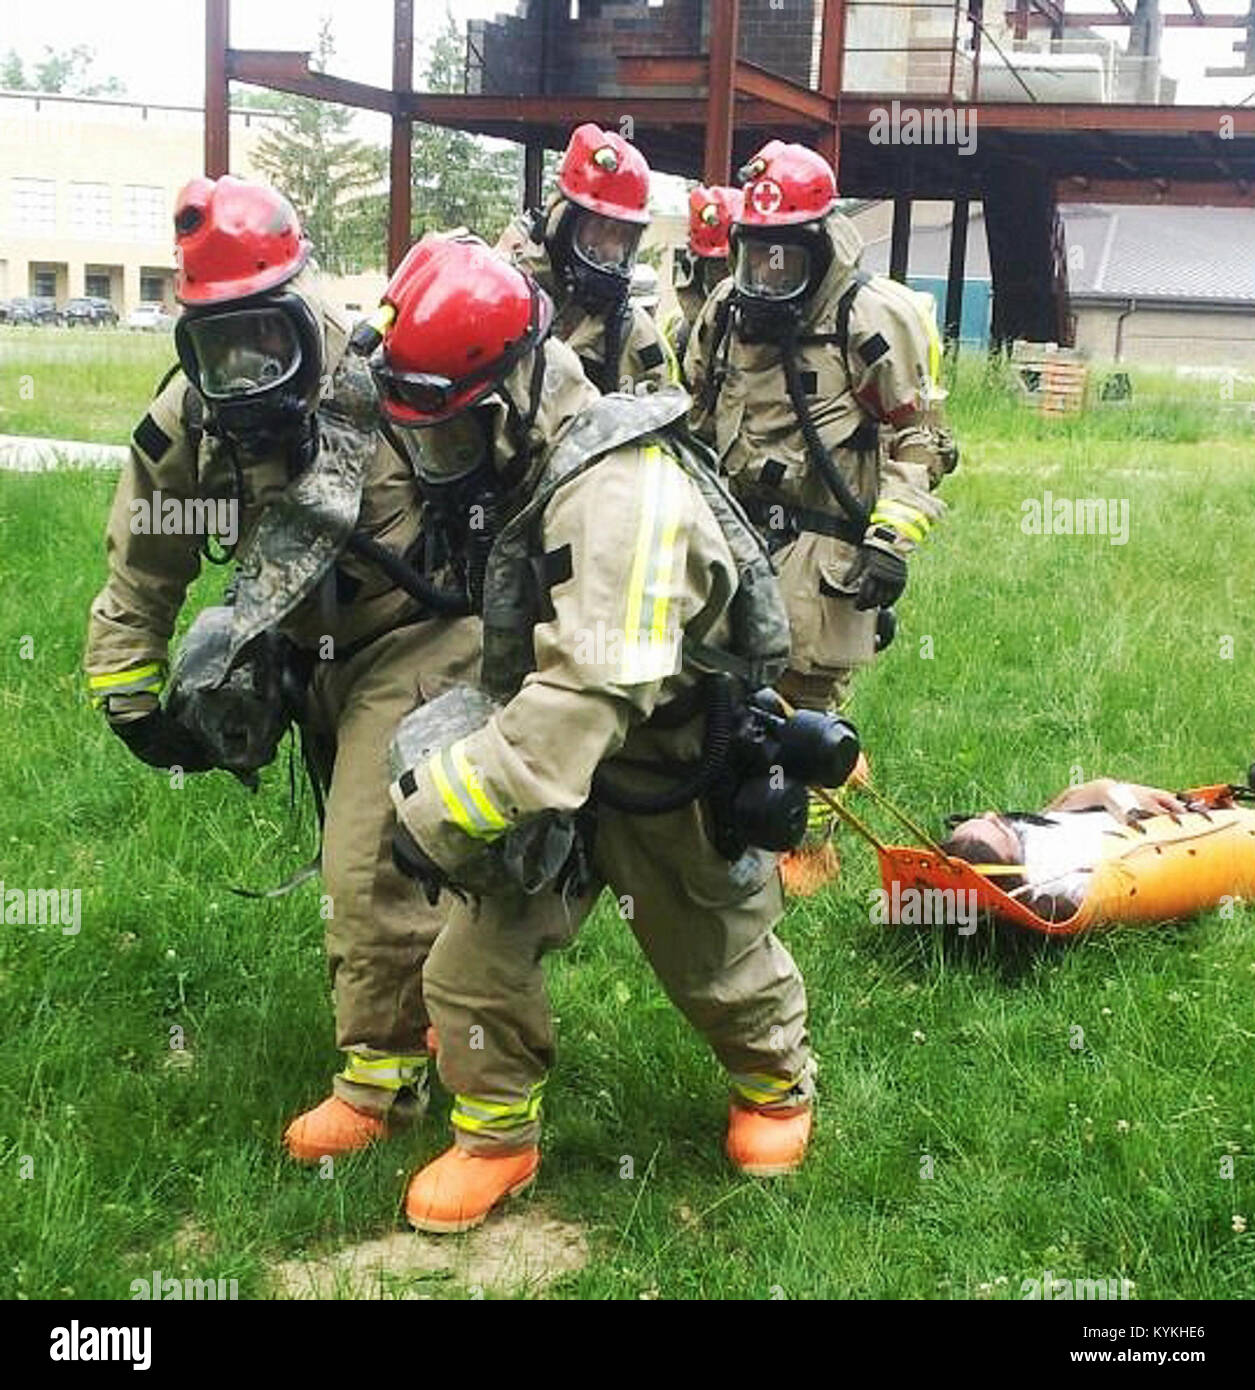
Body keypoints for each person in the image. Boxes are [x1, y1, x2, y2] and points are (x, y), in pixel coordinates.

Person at [366, 234, 827, 1232]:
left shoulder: (621, 496)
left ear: (517, 391)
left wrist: (442, 813)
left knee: (714, 959)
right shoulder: (528, 456)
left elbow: (583, 698)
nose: (439, 465)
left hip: (659, 756)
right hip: (549, 755)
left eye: (451, 436)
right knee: (471, 960)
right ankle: (496, 1137)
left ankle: (776, 1085)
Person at [83, 176, 482, 1161]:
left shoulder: (383, 377)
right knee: (404, 856)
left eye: (264, 335)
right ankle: (454, 990)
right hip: (306, 654)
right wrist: (128, 688)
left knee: (362, 856)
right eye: (219, 343)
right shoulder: (190, 416)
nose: (245, 364)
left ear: (300, 307)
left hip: (413, 637)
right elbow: (145, 555)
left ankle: (381, 1080)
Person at [683, 140, 954, 891]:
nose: (767, 276)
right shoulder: (722, 313)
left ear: (816, 245)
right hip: (731, 532)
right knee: (713, 692)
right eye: (755, 256)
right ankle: (726, 830)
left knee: (802, 699)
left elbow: (920, 439)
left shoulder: (872, 317)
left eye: (784, 260)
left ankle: (808, 852)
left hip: (820, 541)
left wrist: (891, 537)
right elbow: (697, 418)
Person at [497, 122, 676, 394]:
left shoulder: (635, 335)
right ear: (563, 223)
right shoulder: (501, 301)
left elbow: (658, 429)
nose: (613, 252)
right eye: (601, 230)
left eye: (624, 238)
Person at [942, 779, 1190, 921]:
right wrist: (1131, 809)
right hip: (1163, 830)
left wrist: (1127, 803)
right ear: (1011, 862)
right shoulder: (1061, 877)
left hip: (1129, 811)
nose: (993, 815)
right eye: (997, 826)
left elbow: (1089, 792)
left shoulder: (1026, 836)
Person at [661, 184, 743, 375]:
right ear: (697, 271)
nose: (728, 284)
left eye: (738, 267)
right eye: (720, 268)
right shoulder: (675, 332)